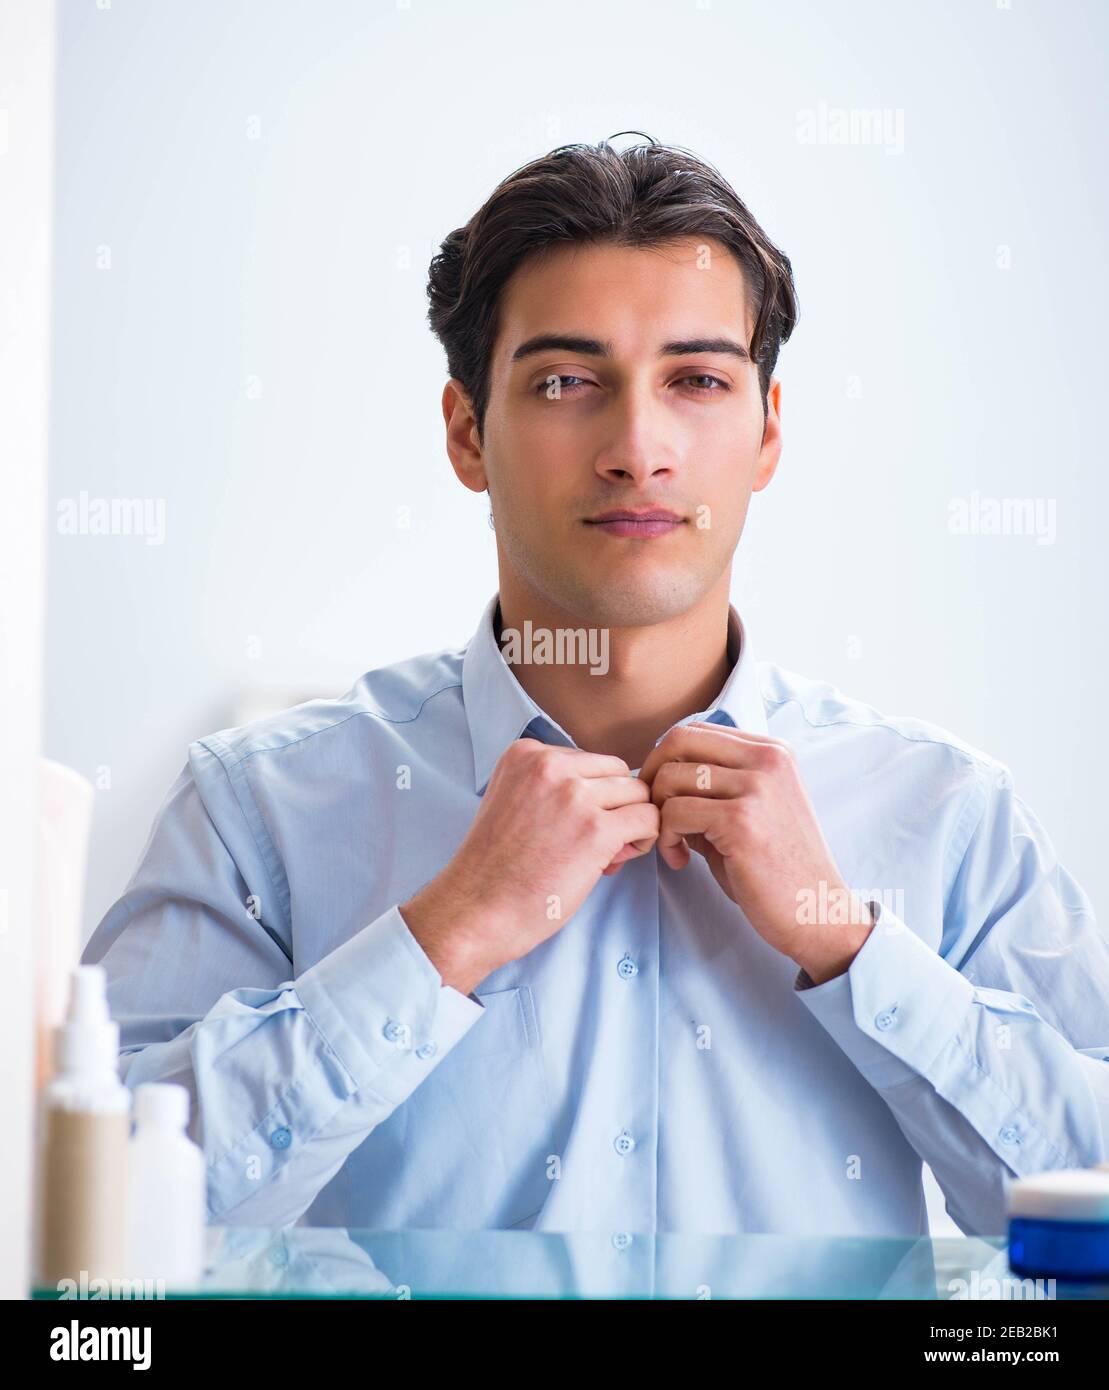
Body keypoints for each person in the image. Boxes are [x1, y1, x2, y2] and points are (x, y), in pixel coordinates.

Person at [83, 136, 1109, 1238]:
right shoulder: (260, 811)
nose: (636, 446)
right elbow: (96, 1222)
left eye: (697, 380)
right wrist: (440, 939)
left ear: (766, 434)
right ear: (467, 432)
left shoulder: (943, 812)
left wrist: (849, 945)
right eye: (567, 381)